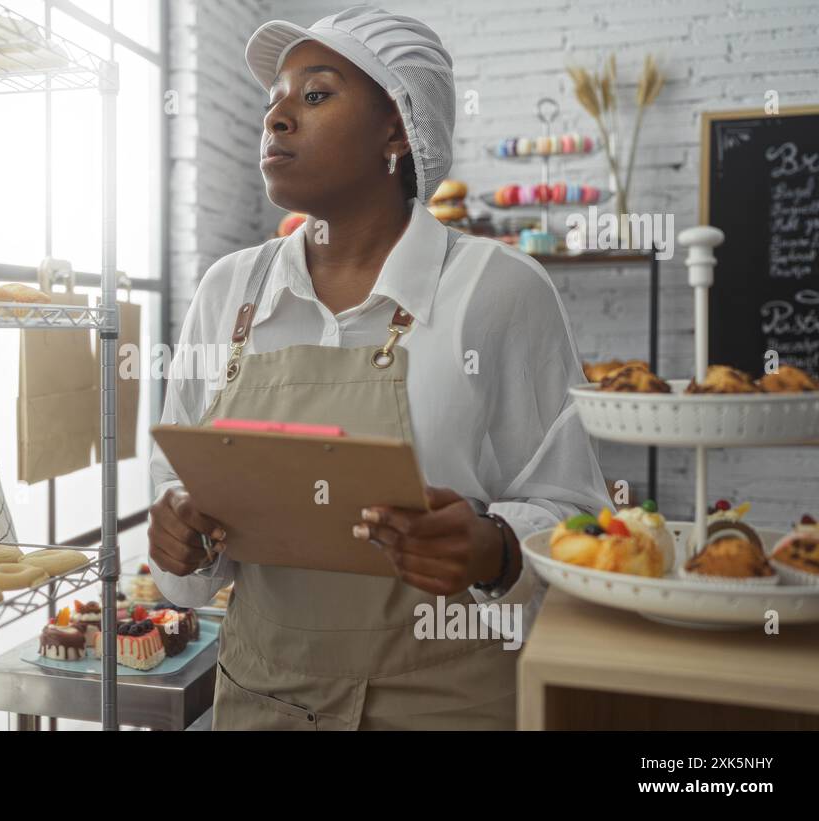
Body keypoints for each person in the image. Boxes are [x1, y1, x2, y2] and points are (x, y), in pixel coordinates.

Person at [147, 6, 611, 730]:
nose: (276, 119)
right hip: (262, 698)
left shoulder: (500, 292)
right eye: (273, 99)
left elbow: (579, 515)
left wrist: (496, 548)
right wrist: (178, 538)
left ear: (397, 130)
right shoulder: (227, 291)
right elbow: (184, 551)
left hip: (448, 700)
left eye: (316, 94)